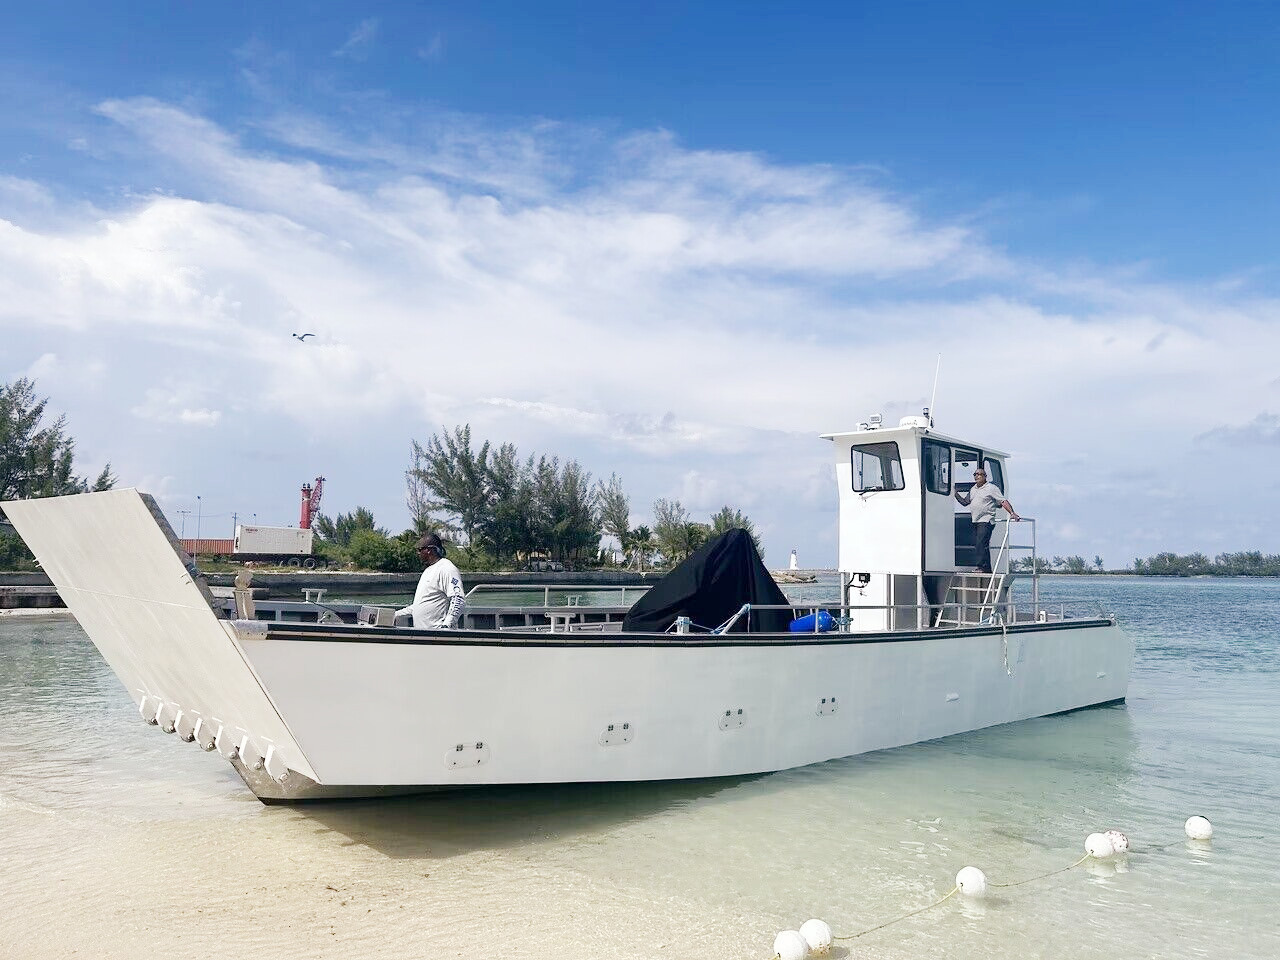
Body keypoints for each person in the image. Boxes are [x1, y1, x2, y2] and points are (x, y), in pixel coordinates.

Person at [954, 468, 1020, 574]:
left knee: (980, 543)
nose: (976, 476)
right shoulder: (973, 489)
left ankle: (981, 567)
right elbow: (965, 502)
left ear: (985, 476)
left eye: (979, 474)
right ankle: (987, 569)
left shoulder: (991, 488)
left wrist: (1012, 513)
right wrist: (955, 493)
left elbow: (1003, 501)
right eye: (975, 474)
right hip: (976, 520)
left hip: (986, 520)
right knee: (981, 544)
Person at [396, 533, 466, 629]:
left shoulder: (446, 568)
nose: (418, 553)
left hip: (438, 635)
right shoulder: (427, 571)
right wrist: (394, 615)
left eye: (420, 550)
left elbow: (458, 599)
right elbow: (419, 605)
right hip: (423, 634)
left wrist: (446, 626)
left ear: (428, 550)